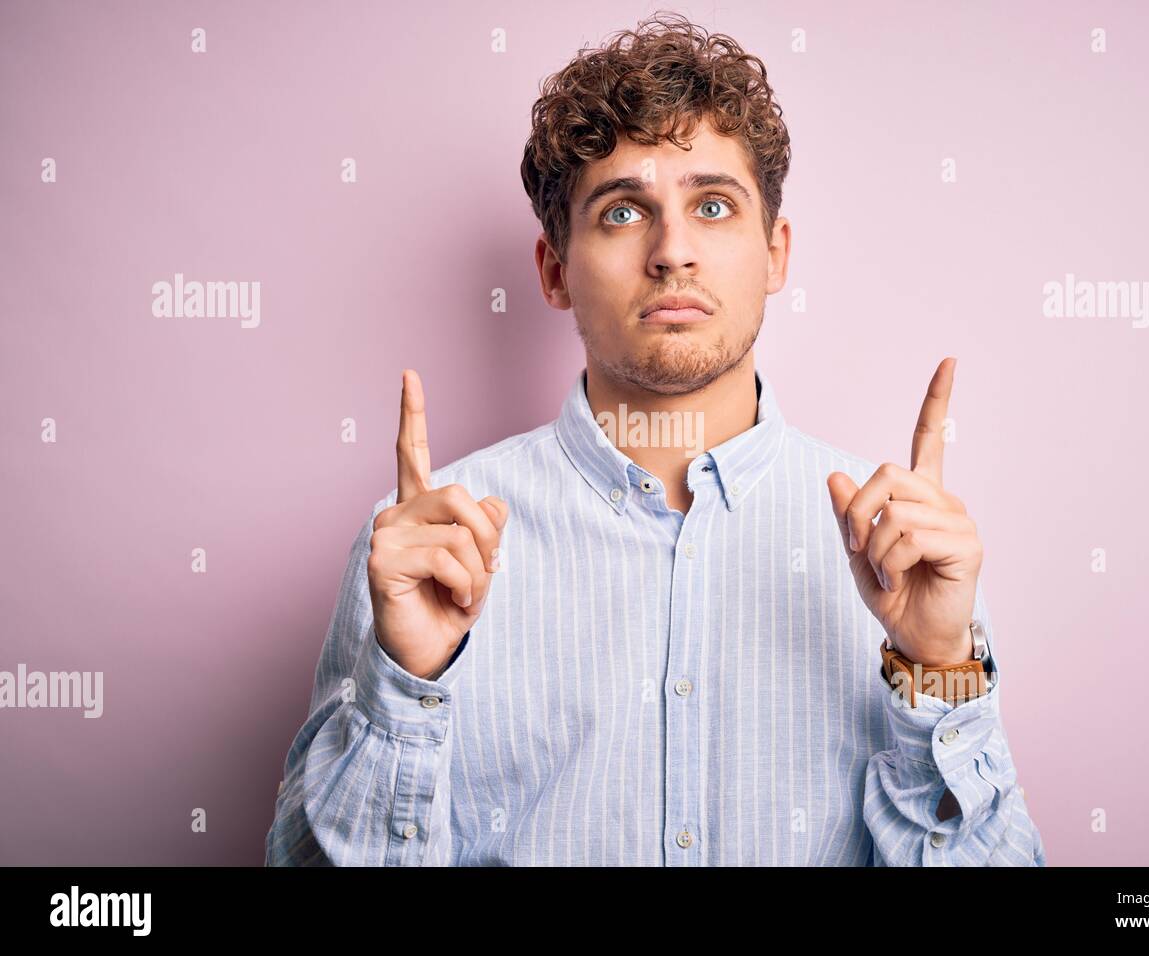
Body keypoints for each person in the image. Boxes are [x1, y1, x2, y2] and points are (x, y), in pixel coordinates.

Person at [265, 11, 1045, 866]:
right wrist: (405, 688)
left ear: (775, 254)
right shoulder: (418, 548)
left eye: (713, 206)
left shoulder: (909, 545)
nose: (673, 252)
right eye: (623, 212)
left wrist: (937, 669)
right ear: (554, 270)